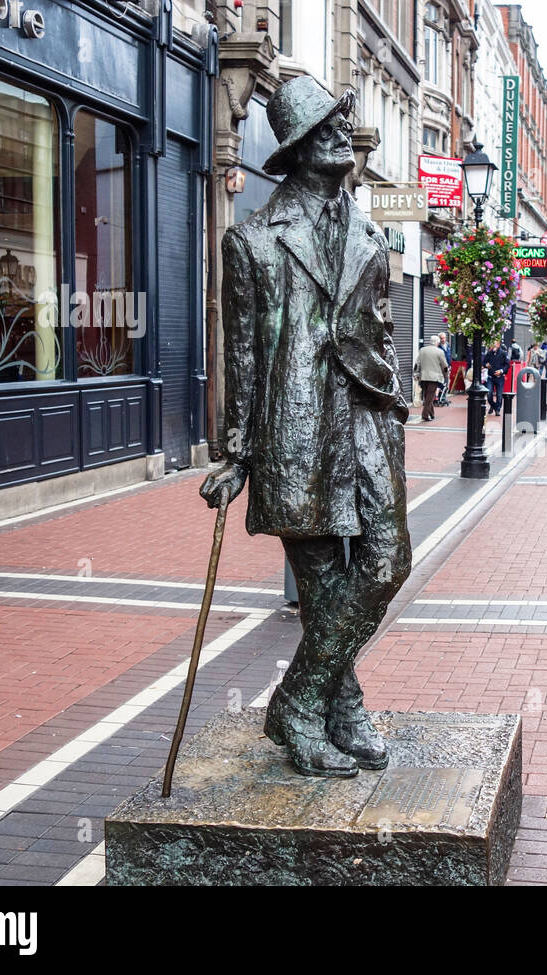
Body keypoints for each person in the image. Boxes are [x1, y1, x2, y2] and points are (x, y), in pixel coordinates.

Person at [199, 79, 409, 776]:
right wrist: (235, 450)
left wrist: (398, 401)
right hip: (296, 429)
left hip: (368, 421)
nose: (341, 134)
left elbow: (380, 326)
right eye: (324, 128)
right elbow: (242, 352)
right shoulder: (252, 240)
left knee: (385, 562)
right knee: (322, 588)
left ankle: (297, 698)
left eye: (340, 122)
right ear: (296, 151)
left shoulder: (372, 231)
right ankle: (339, 705)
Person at [414, 335, 449, 422]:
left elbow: (417, 363)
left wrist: (416, 374)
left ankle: (432, 414)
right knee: (430, 396)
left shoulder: (422, 350)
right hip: (434, 377)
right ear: (437, 343)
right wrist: (446, 376)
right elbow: (444, 365)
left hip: (423, 377)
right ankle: (425, 414)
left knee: (427, 395)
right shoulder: (440, 352)